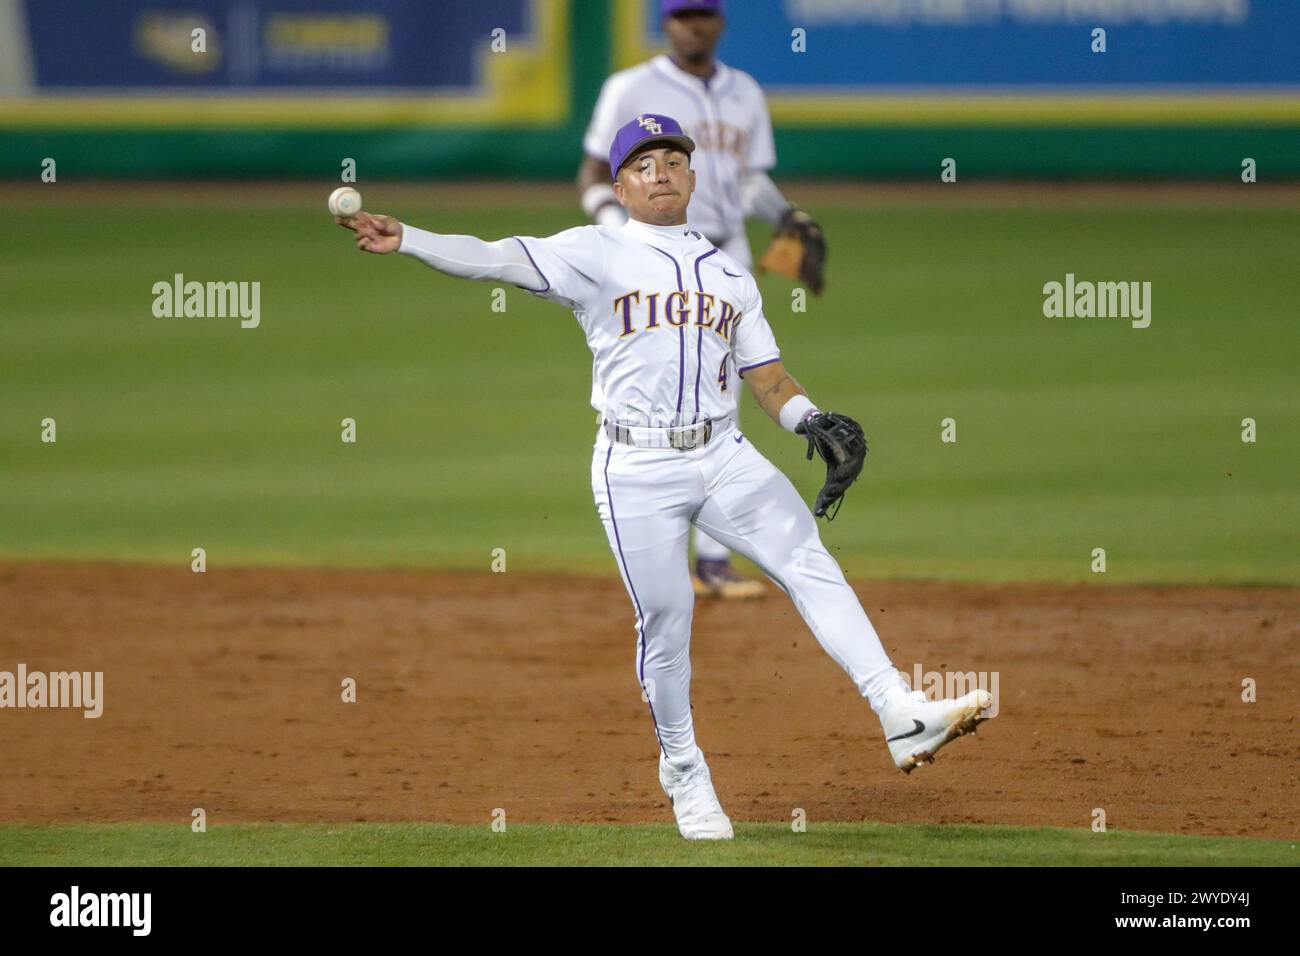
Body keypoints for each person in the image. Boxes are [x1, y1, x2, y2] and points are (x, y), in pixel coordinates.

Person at [336, 114, 993, 841]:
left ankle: (899, 711)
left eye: (672, 159)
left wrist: (809, 420)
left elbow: (767, 379)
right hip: (635, 465)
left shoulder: (730, 276)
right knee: (668, 623)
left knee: (810, 562)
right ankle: (684, 772)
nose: (659, 170)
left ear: (692, 177)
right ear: (619, 185)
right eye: (643, 162)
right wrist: (412, 240)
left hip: (724, 453)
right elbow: (494, 256)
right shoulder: (595, 252)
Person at [577, 0, 826, 600]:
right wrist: (617, 229)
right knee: (674, 391)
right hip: (647, 258)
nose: (694, 24)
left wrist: (786, 214)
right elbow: (591, 172)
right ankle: (686, 550)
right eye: (682, 14)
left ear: (720, 22)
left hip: (724, 254)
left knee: (726, 389)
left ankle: (713, 559)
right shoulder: (629, 87)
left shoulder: (745, 92)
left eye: (704, 14)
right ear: (666, 24)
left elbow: (746, 178)